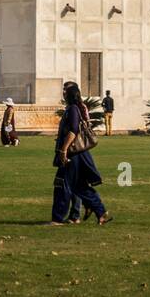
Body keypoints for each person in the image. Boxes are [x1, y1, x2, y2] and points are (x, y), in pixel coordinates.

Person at [51, 83, 110, 226]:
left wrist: (63, 149)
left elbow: (73, 130)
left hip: (73, 154)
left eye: (65, 92)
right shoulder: (72, 109)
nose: (63, 94)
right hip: (77, 154)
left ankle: (58, 218)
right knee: (78, 185)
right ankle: (101, 213)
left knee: (63, 184)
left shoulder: (73, 109)